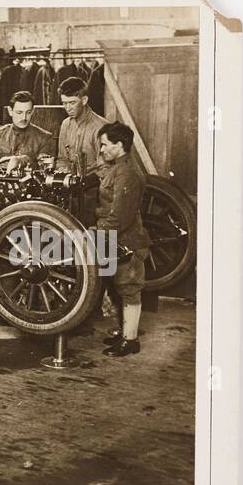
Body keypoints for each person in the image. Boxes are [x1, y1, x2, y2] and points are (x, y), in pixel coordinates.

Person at [95, 122, 152, 357]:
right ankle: (123, 331)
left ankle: (131, 341)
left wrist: (94, 236)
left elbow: (120, 217)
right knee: (118, 287)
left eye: (105, 144)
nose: (101, 149)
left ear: (119, 145)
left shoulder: (126, 172)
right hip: (114, 239)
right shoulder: (117, 168)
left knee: (129, 290)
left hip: (126, 241)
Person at [0, 91, 55, 170]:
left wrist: (22, 161)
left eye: (28, 112)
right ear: (10, 111)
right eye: (19, 112)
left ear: (33, 111)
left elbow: (44, 167)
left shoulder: (44, 137)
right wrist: (0, 164)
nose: (24, 118)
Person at [55, 76, 108, 183]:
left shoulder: (101, 127)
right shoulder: (65, 124)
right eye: (64, 103)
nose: (68, 108)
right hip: (70, 186)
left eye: (72, 103)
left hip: (94, 189)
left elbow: (106, 169)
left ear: (84, 100)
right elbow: (62, 160)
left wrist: (84, 183)